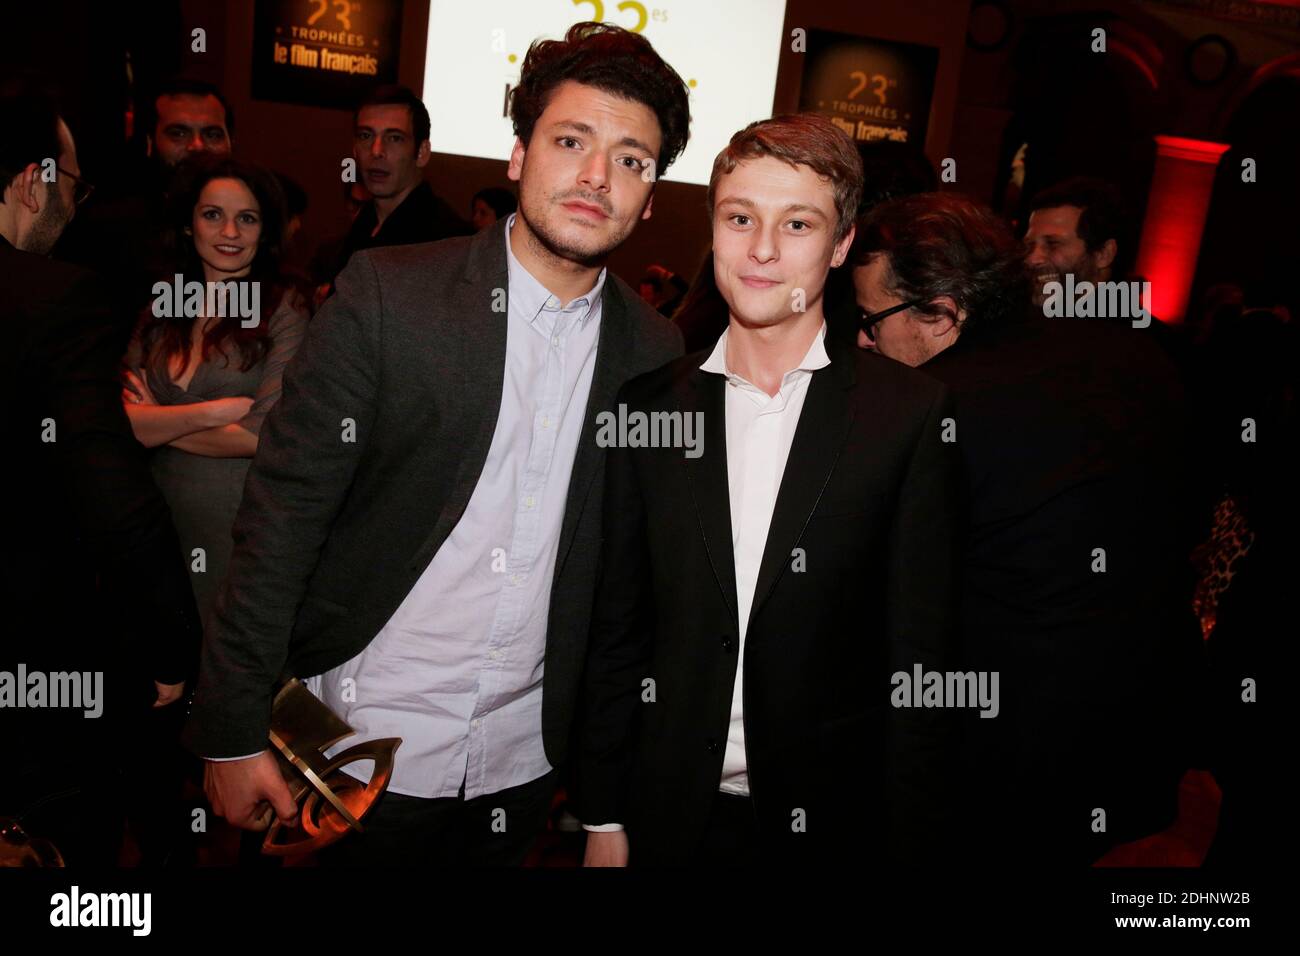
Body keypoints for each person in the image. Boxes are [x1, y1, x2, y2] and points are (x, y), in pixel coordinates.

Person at [184, 20, 691, 867]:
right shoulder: (391, 298)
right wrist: (232, 730)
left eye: (632, 160)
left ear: (650, 196)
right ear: (519, 156)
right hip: (354, 747)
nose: (598, 177)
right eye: (572, 141)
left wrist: (601, 798)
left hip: (523, 767)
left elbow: (618, 593)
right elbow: (280, 520)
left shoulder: (654, 352)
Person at [579, 114, 962, 867]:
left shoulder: (908, 417)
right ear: (713, 227)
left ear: (842, 243)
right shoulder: (646, 409)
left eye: (797, 223)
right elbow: (615, 628)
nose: (761, 250)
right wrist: (599, 815)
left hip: (830, 823)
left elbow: (919, 655)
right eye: (739, 218)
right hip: (663, 817)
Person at [851, 192, 1201, 863]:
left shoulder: (938, 408)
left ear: (943, 313)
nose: (865, 338)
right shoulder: (1139, 354)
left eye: (872, 318)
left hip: (997, 755)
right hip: (1131, 726)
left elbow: (890, 606)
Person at [0, 90, 202, 864]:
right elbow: (113, 500)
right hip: (32, 665)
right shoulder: (57, 299)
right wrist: (170, 651)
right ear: (31, 182)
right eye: (71, 186)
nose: (72, 207)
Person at [121, 158, 309, 631]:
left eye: (246, 218)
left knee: (227, 668)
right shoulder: (167, 300)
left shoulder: (285, 306)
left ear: (265, 230)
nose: (230, 230)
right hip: (152, 516)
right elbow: (119, 416)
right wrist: (209, 413)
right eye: (212, 215)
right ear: (188, 225)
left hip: (237, 530)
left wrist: (154, 424)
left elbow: (260, 435)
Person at [57, 77, 236, 313]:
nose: (197, 145)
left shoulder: (255, 228)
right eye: (178, 133)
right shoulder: (107, 230)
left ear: (231, 143)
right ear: (150, 143)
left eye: (212, 134)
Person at [323, 84, 473, 288]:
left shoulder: (445, 240)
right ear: (354, 149)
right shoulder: (364, 223)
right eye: (366, 136)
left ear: (421, 152)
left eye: (394, 138)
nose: (376, 151)